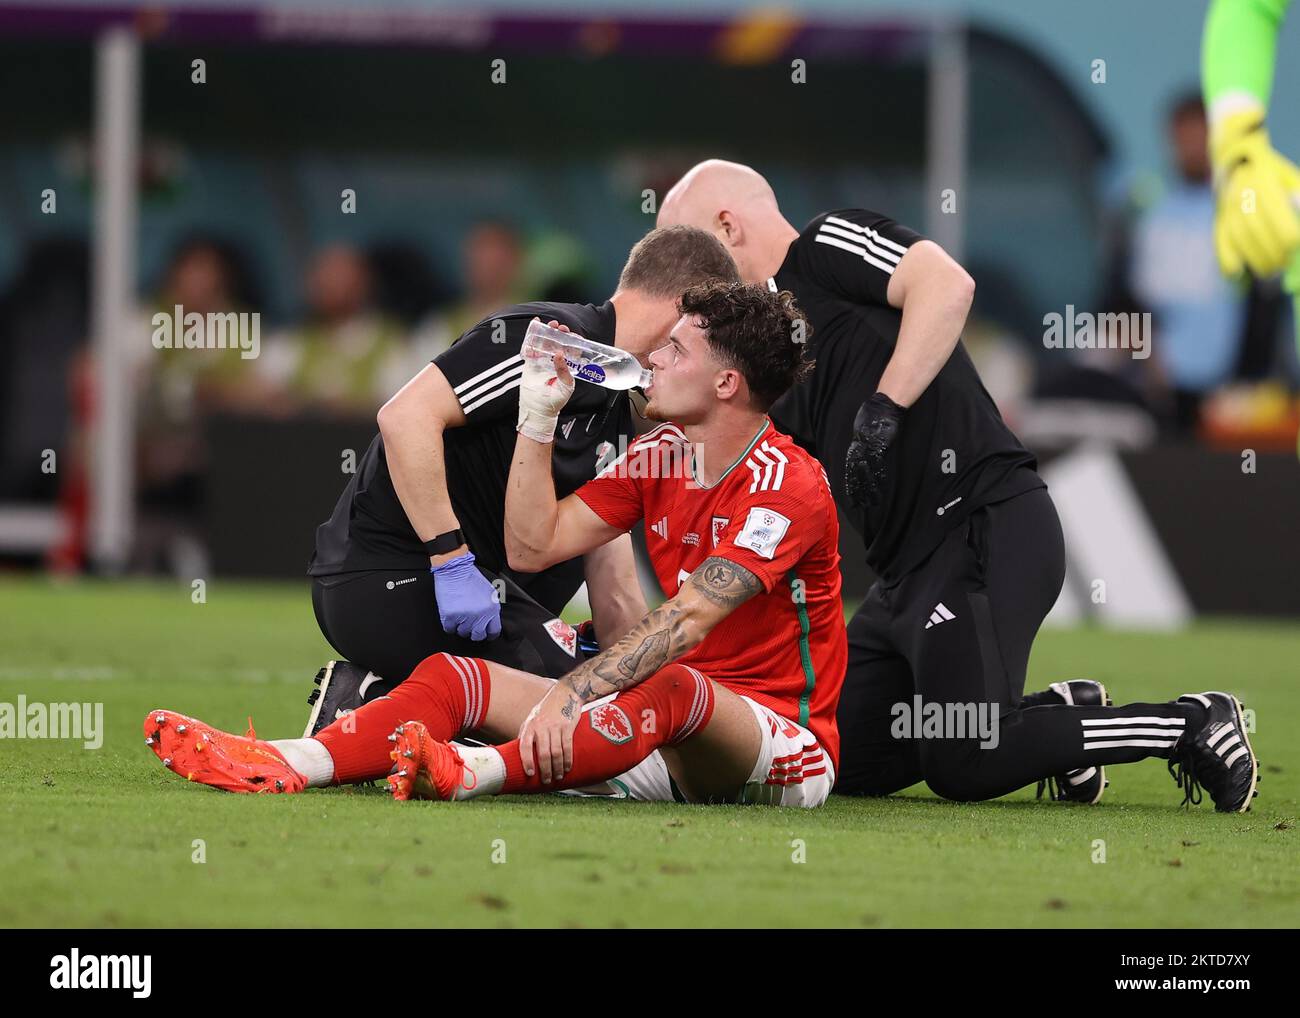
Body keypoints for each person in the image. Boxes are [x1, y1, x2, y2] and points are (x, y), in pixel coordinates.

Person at [657, 160, 1259, 812]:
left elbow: (947, 284)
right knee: (824, 751)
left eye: (688, 252)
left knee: (967, 757)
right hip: (903, 583)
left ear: (728, 226)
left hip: (982, 527)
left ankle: (1190, 724)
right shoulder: (764, 348)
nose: (685, 281)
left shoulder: (828, 244)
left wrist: (884, 407)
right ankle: (1055, 721)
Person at [144, 281, 848, 807]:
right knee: (457, 677)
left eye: (676, 350)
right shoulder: (657, 454)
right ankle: (286, 760)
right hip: (659, 731)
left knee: (659, 680)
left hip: (779, 745)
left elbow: (688, 619)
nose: (652, 358)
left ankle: (472, 770)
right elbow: (535, 544)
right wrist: (537, 419)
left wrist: (571, 695)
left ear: (726, 383)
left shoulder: (790, 483)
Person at [300, 226, 739, 738]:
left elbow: (615, 590)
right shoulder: (543, 337)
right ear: (684, 308)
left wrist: (662, 691)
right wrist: (450, 560)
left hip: (482, 599)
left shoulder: (615, 408)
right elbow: (405, 417)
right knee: (574, 724)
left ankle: (401, 703)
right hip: (389, 576)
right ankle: (367, 704)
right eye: (710, 332)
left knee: (614, 712)